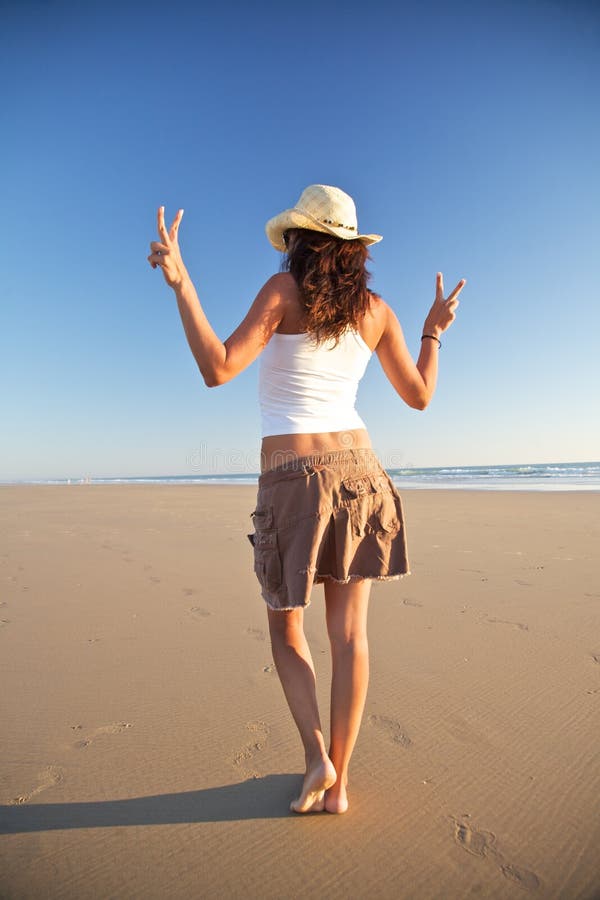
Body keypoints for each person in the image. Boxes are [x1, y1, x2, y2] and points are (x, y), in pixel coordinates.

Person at [148, 184, 465, 815]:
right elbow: (421, 396)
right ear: (353, 248)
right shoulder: (377, 312)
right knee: (349, 636)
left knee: (286, 626)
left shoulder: (282, 291)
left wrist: (182, 285)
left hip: (293, 475)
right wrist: (433, 333)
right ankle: (339, 787)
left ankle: (317, 756)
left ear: (300, 240)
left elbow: (217, 368)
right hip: (361, 472)